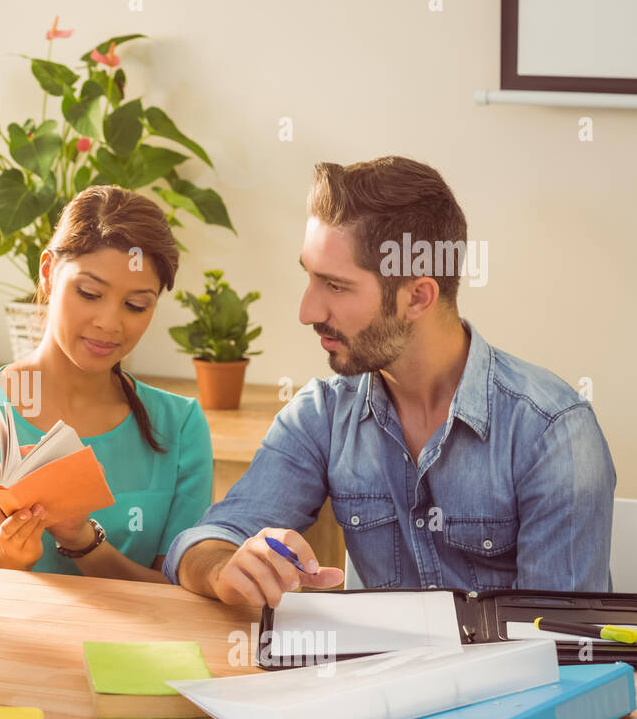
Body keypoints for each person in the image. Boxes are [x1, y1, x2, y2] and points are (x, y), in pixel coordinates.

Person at [167, 156, 616, 607]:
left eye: (335, 286)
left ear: (417, 297)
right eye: (309, 277)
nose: (308, 311)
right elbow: (205, 541)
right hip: (370, 675)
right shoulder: (323, 414)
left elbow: (561, 649)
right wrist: (225, 567)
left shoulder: (552, 433)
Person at [0, 186, 212, 581]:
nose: (110, 323)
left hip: (132, 645)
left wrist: (84, 543)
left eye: (136, 305)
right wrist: (9, 558)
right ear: (47, 273)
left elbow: (181, 599)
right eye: (89, 293)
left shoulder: (179, 427)